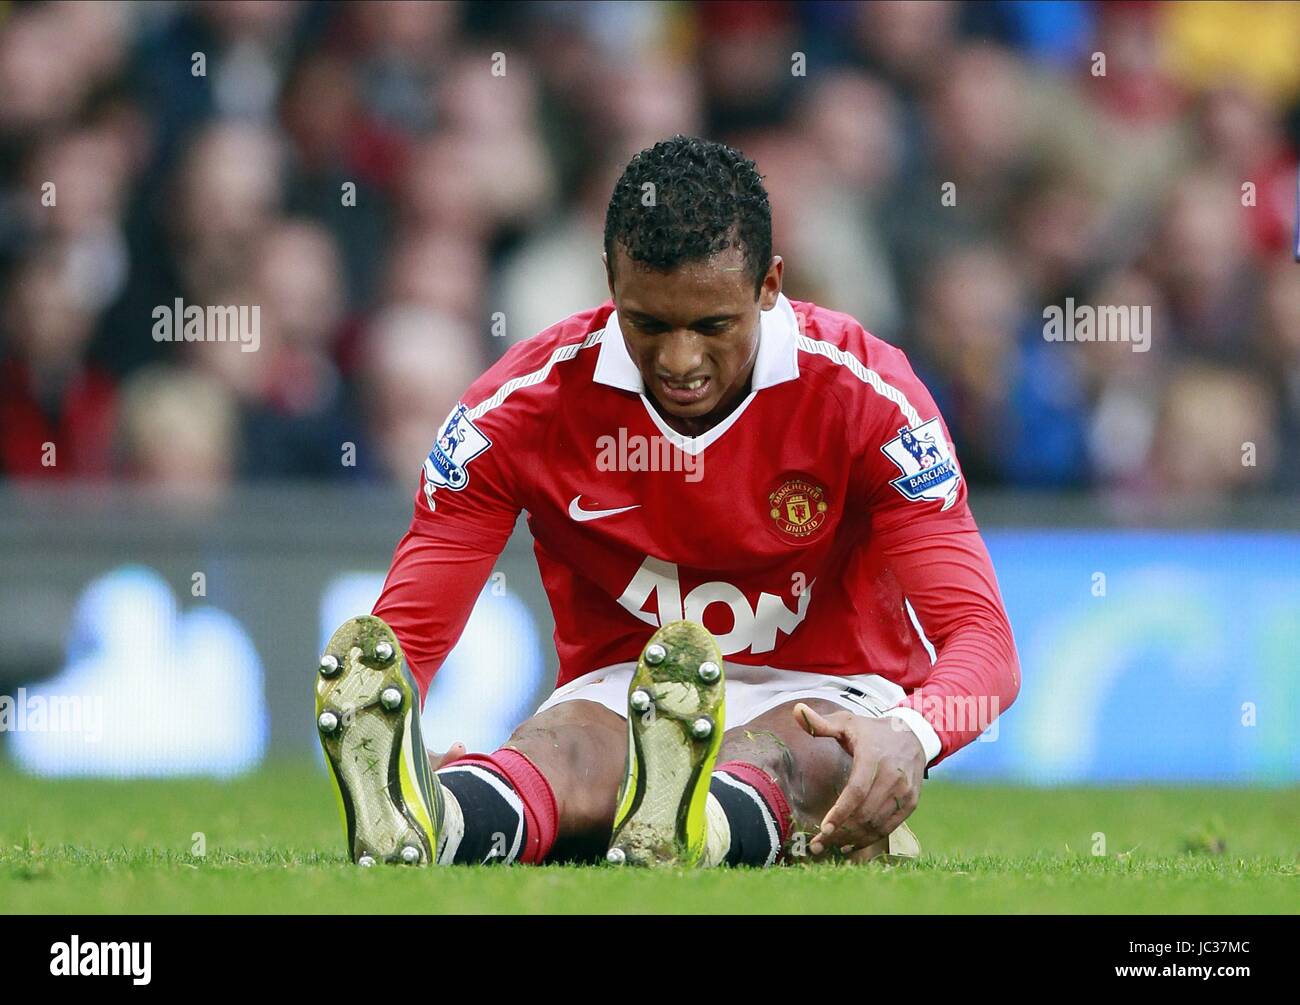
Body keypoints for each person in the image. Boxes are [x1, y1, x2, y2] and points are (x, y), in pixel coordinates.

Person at [313, 136, 1020, 869]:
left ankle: (656, 817)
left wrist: (913, 730)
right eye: (647, 324)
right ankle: (436, 815)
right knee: (562, 753)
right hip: (628, 693)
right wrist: (400, 716)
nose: (680, 362)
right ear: (609, 281)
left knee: (795, 753)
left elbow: (983, 639)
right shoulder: (518, 411)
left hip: (827, 691)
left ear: (770, 286)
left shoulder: (867, 395)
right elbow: (403, 644)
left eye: (713, 326)